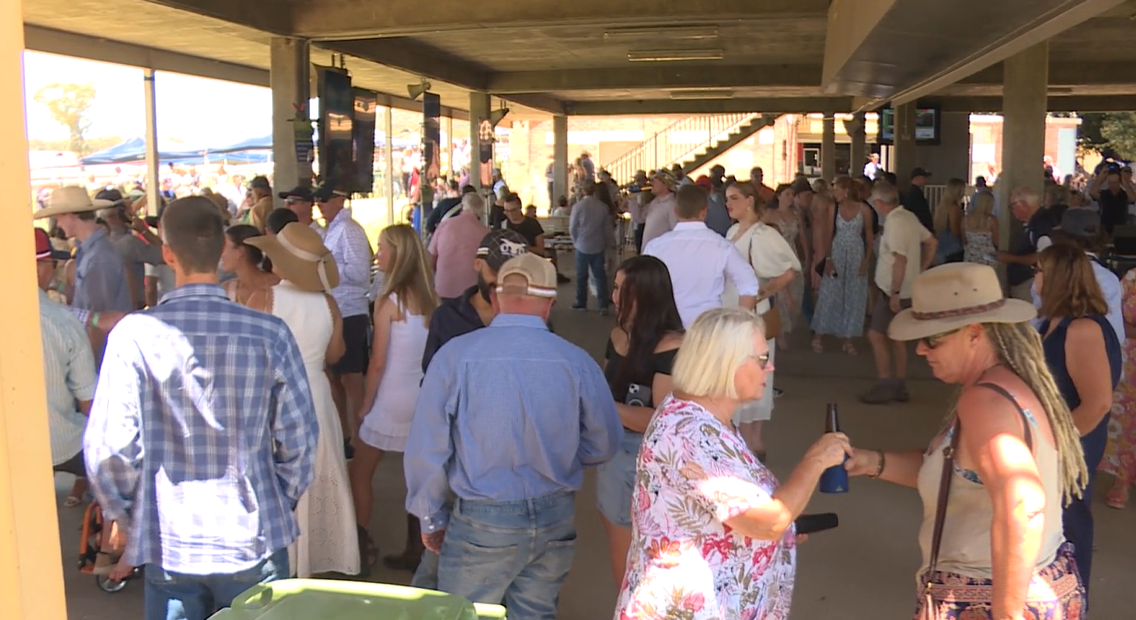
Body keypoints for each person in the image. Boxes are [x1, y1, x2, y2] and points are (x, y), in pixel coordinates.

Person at [84, 197, 319, 620]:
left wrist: (124, 513)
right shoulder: (269, 332)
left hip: (170, 538)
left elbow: (110, 448)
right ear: (221, 254)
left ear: (167, 253)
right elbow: (299, 438)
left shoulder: (135, 335)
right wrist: (276, 500)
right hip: (253, 532)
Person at [846, 262, 1088, 620]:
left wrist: (1007, 612)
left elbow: (1023, 502)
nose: (921, 350)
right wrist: (872, 462)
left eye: (932, 339)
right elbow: (959, 475)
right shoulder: (1015, 385)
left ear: (975, 333)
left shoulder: (983, 401)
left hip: (983, 596)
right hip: (1047, 580)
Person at [404, 254, 621, 620]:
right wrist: (559, 454)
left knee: (464, 613)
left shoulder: (456, 356)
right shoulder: (577, 360)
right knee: (534, 613)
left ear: (494, 297)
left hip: (482, 517)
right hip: (555, 513)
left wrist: (430, 516)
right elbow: (605, 443)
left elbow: (427, 446)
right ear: (550, 303)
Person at [615, 308, 851, 620]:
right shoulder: (692, 434)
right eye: (762, 359)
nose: (771, 368)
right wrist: (816, 460)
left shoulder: (705, 418)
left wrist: (787, 512)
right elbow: (767, 522)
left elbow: (735, 508)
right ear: (725, 362)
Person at [406, 229, 530, 588]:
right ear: (478, 265)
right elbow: (431, 386)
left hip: (509, 458)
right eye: (498, 270)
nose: (506, 280)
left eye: (516, 271)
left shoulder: (533, 316)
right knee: (440, 557)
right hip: (457, 453)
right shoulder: (448, 317)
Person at [242, 223, 359, 578]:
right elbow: (336, 354)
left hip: (275, 395)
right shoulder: (327, 302)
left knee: (278, 474)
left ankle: (284, 560)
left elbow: (250, 354)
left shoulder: (264, 299)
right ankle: (323, 554)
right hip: (317, 392)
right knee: (322, 472)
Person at [1034, 244, 1122, 596]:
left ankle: (1072, 598)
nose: (1035, 278)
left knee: (1068, 522)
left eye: (1040, 271)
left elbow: (1097, 403)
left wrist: (1052, 445)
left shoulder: (1082, 329)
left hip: (1071, 442)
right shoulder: (1052, 321)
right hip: (1054, 436)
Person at [351, 225, 437, 574]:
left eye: (382, 248)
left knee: (360, 471)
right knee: (417, 478)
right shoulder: (432, 301)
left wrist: (365, 403)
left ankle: (357, 544)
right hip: (422, 398)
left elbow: (378, 361)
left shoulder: (389, 302)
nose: (377, 255)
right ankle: (417, 547)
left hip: (391, 397)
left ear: (397, 255)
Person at [597, 256, 684, 585]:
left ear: (647, 295)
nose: (615, 297)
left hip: (650, 458)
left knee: (653, 552)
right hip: (613, 453)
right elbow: (606, 382)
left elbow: (662, 420)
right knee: (620, 548)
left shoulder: (672, 347)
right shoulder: (618, 335)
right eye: (615, 288)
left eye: (624, 290)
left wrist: (604, 406)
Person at [722, 181, 801, 457]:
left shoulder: (763, 234)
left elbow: (790, 270)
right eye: (727, 198)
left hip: (752, 311)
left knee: (753, 369)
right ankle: (744, 437)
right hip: (733, 307)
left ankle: (753, 439)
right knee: (738, 370)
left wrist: (760, 293)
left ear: (750, 201)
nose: (728, 203)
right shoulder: (733, 230)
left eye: (734, 198)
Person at [34, 228, 97, 509]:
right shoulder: (64, 322)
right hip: (59, 443)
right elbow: (89, 403)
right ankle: (109, 548)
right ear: (37, 269)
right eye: (52, 264)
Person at [861, 184, 937, 404]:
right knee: (897, 337)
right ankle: (899, 384)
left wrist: (894, 292)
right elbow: (931, 242)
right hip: (908, 287)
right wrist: (920, 268)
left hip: (892, 290)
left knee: (876, 335)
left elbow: (899, 260)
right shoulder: (909, 217)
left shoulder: (893, 223)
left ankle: (885, 384)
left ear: (879, 204)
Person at [314, 183, 374, 455]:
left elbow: (361, 272)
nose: (320, 205)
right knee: (336, 378)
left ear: (340, 199)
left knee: (351, 378)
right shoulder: (334, 230)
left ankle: (361, 436)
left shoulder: (350, 231)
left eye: (325, 200)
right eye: (318, 200)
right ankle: (346, 434)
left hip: (350, 310)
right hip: (336, 310)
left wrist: (328, 269)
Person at [645, 184, 758, 328]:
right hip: (708, 327)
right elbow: (748, 284)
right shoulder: (722, 246)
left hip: (666, 327)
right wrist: (739, 322)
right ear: (704, 212)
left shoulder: (655, 247)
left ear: (675, 211)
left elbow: (643, 288)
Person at [811, 176, 874, 355]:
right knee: (829, 294)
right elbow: (828, 234)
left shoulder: (864, 209)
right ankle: (819, 335)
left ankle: (848, 338)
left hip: (856, 253)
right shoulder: (833, 208)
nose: (834, 192)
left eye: (837, 189)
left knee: (854, 297)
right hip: (838, 251)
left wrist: (866, 262)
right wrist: (828, 259)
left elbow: (869, 238)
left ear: (846, 190)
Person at [570, 180, 611, 314]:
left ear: (583, 191)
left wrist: (575, 241)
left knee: (582, 275)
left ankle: (581, 302)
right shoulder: (602, 207)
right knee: (600, 276)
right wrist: (606, 241)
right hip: (598, 244)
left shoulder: (578, 206)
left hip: (582, 243)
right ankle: (602, 304)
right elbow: (606, 228)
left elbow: (573, 227)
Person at [219, 225, 280, 305]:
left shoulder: (278, 284)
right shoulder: (226, 290)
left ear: (240, 251)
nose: (220, 253)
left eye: (223, 247)